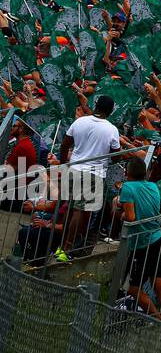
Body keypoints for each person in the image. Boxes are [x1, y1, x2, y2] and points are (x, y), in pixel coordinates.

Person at [58, 96, 122, 258]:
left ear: (96, 106)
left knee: (71, 207)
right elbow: (116, 157)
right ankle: (67, 249)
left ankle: (61, 245)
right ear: (111, 110)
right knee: (80, 210)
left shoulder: (80, 122)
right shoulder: (111, 129)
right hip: (94, 173)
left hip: (74, 168)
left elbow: (65, 145)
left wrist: (63, 163)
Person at [117, 156, 161, 316]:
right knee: (157, 281)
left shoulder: (127, 188)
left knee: (133, 288)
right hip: (157, 237)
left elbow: (131, 217)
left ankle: (157, 317)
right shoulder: (153, 186)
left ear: (127, 172)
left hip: (142, 243)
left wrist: (122, 214)